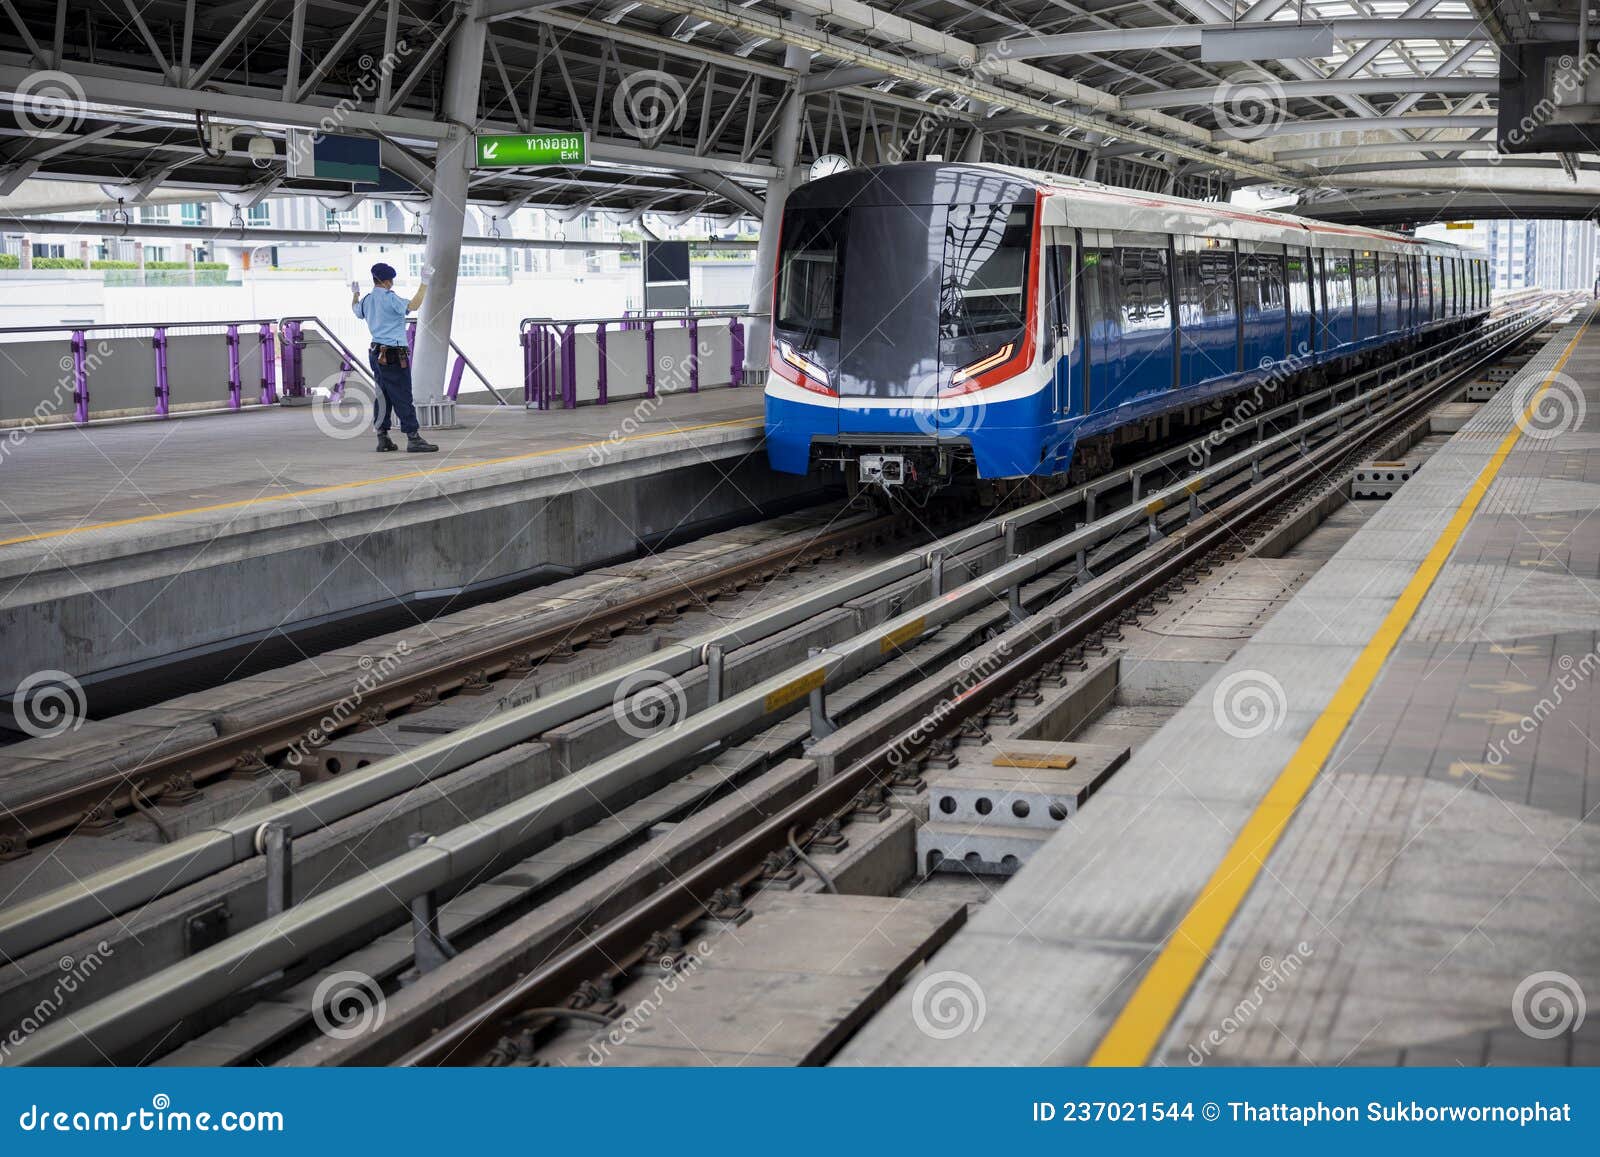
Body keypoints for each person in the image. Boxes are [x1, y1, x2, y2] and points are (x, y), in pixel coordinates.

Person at [351, 262, 438, 453]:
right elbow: (413, 305)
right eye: (391, 281)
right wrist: (424, 283)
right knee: (402, 394)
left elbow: (355, 309)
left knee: (383, 396)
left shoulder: (366, 300)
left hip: (376, 353)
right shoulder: (390, 298)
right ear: (387, 281)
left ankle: (383, 438)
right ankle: (413, 438)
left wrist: (355, 293)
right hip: (393, 355)